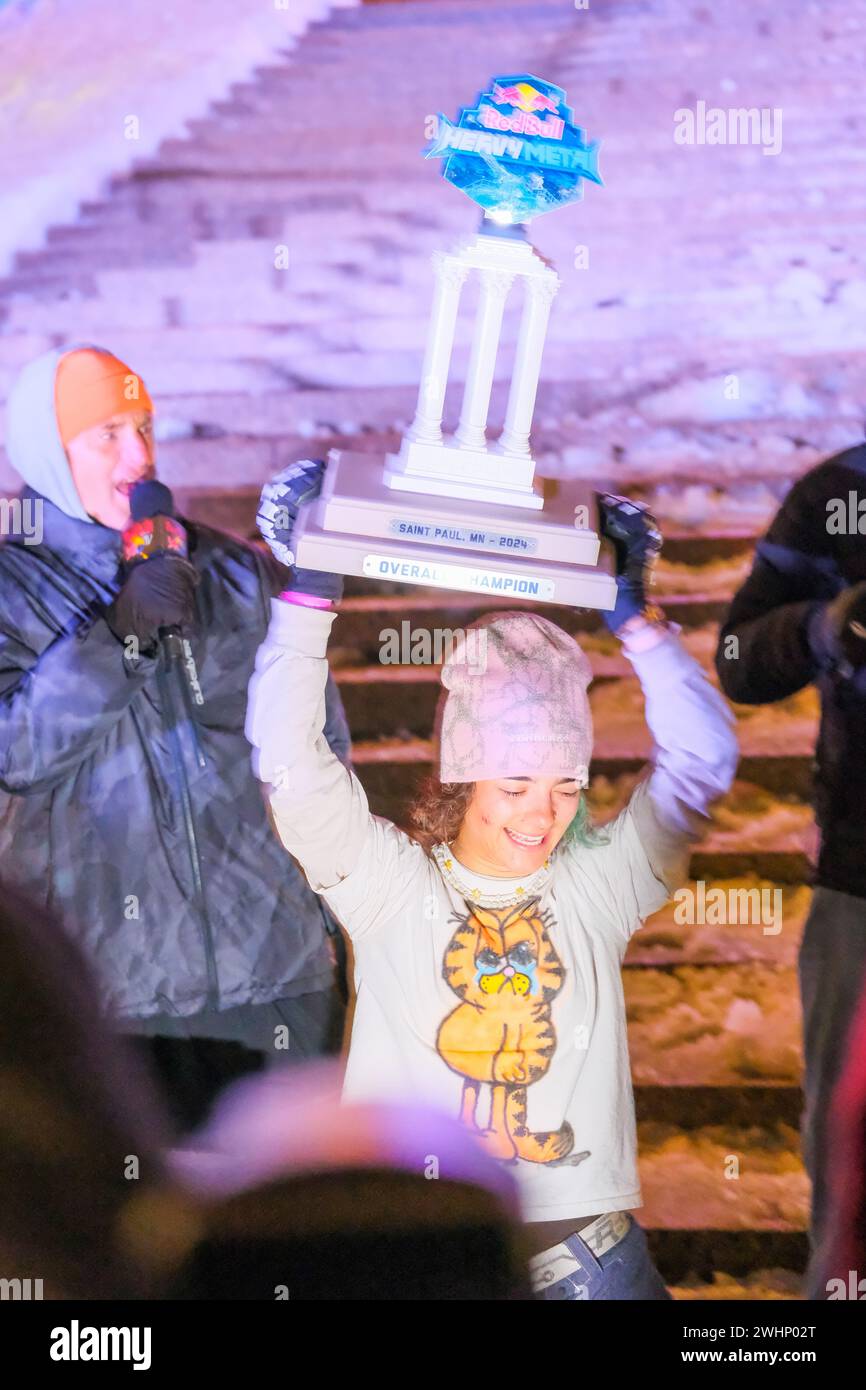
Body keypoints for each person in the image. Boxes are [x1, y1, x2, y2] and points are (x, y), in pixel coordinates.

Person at [246, 464, 739, 1300]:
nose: (542, 815)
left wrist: (639, 621)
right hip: (426, 1266)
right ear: (463, 779)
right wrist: (309, 597)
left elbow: (702, 761)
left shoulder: (597, 885)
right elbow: (293, 762)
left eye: (565, 787)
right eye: (515, 786)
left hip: (590, 1266)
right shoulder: (391, 887)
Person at [0, 346, 352, 1130]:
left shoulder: (232, 572)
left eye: (146, 428)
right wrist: (122, 630)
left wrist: (337, 914)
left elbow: (317, 745)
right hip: (110, 999)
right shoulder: (9, 587)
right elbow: (16, 753)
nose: (139, 457)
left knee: (282, 1237)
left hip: (273, 976)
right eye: (108, 435)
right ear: (48, 452)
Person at [714, 443, 866, 1291]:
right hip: (861, 882)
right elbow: (738, 660)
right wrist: (822, 627)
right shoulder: (839, 493)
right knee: (851, 1166)